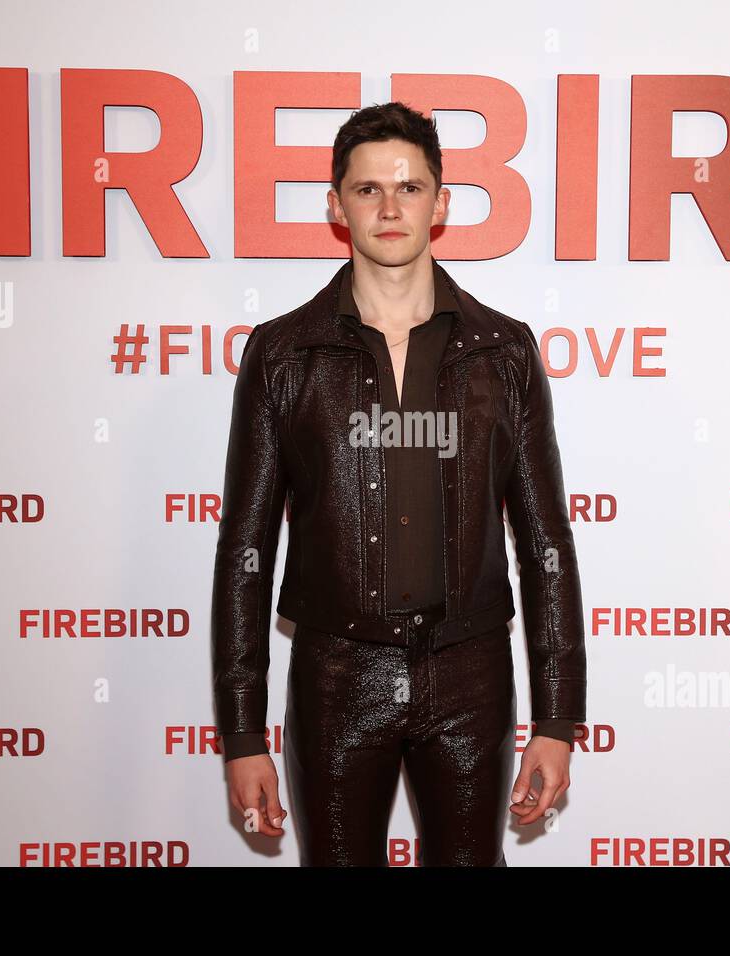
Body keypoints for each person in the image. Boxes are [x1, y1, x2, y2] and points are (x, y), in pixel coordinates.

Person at [212, 101, 586, 865]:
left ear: (440, 204)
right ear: (335, 204)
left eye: (410, 188)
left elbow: (546, 542)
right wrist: (243, 734)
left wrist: (556, 719)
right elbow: (244, 547)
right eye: (368, 189)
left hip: (471, 677)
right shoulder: (283, 356)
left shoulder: (503, 353)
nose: (390, 207)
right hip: (337, 677)